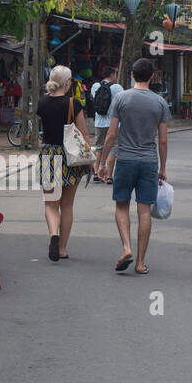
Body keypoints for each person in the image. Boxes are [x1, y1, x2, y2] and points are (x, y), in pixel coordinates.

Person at [96, 57, 169, 275]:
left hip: (125, 160)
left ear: (132, 75)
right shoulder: (160, 103)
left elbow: (111, 134)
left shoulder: (121, 99)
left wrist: (101, 163)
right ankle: (140, 262)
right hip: (149, 162)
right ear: (152, 76)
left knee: (121, 206)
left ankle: (126, 247)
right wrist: (163, 168)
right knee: (144, 210)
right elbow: (163, 140)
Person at [37, 65, 89, 261]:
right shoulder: (73, 104)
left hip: (49, 155)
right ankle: (62, 249)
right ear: (67, 83)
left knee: (51, 204)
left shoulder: (42, 103)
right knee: (67, 205)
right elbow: (83, 134)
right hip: (70, 157)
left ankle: (53, 235)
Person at [90, 66, 124, 158]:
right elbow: (123, 103)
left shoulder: (95, 86)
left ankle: (97, 171)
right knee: (113, 147)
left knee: (99, 148)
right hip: (114, 124)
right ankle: (109, 172)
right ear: (112, 75)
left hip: (99, 123)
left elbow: (93, 100)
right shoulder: (117, 87)